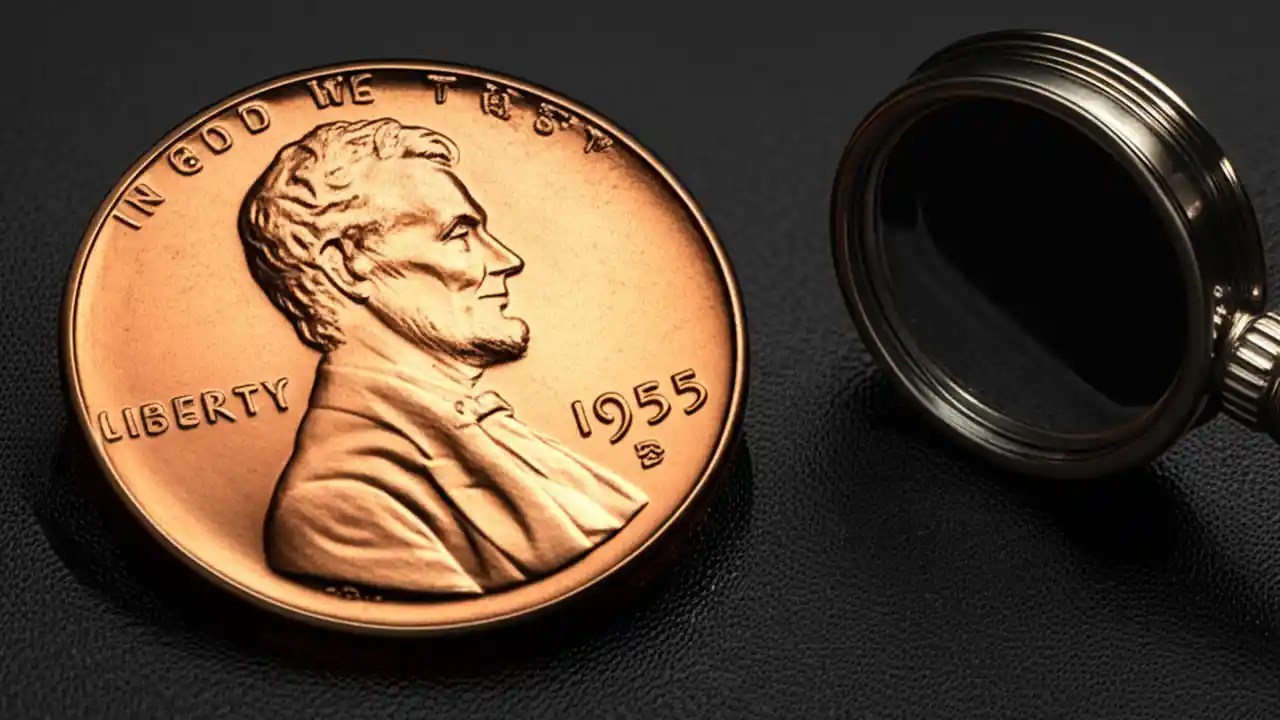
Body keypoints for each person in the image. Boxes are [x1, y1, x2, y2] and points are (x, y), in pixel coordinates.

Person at [238, 118, 648, 596]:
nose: (506, 259)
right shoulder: (335, 503)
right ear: (346, 265)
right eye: (459, 235)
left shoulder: (496, 431)